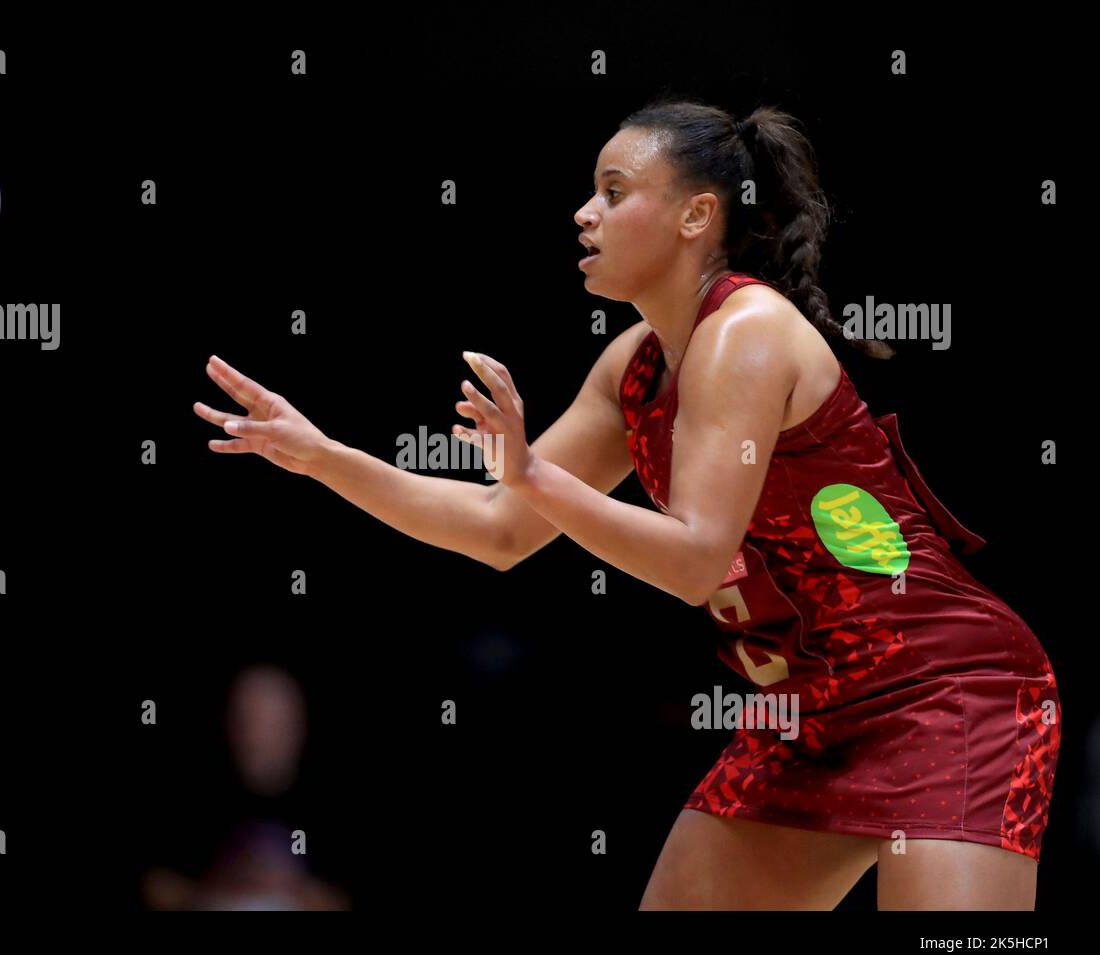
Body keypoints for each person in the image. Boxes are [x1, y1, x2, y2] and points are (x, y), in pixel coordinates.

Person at [193, 94, 1060, 910]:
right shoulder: (635, 366)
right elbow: (502, 531)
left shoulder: (747, 332)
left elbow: (691, 557)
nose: (584, 212)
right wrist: (324, 457)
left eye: (613, 191)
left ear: (696, 217)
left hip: (946, 693)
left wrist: (533, 472)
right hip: (805, 715)